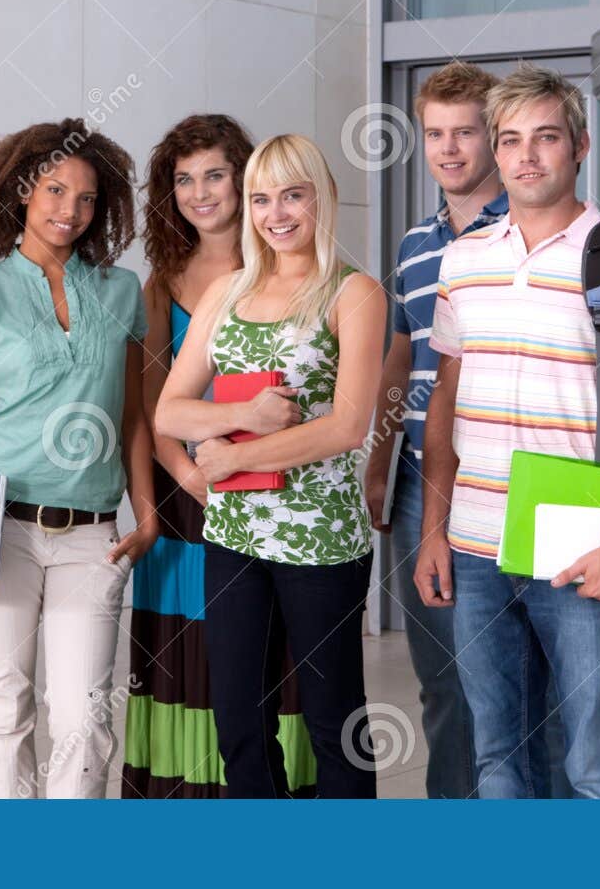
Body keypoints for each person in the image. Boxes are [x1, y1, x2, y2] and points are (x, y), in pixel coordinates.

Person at [415, 63, 600, 798]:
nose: (526, 155)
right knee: (499, 758)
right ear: (496, 154)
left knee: (596, 768)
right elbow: (446, 399)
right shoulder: (464, 258)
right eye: (510, 140)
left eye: (545, 137)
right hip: (472, 544)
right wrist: (433, 529)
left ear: (580, 146)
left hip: (578, 541)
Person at [0, 119, 157, 799]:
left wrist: (147, 513)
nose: (69, 210)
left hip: (93, 531)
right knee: (3, 701)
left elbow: (133, 414)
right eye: (54, 189)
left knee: (83, 712)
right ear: (22, 191)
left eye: (86, 198)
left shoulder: (120, 292)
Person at [156, 134, 387, 798]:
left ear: (322, 198)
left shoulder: (353, 293)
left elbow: (347, 426)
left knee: (331, 721)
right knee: (239, 720)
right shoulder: (226, 292)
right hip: (235, 535)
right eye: (261, 198)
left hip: (321, 543)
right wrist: (247, 418)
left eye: (293, 195)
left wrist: (233, 452)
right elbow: (170, 411)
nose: (275, 213)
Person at [122, 115, 320, 797]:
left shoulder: (284, 261)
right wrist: (189, 476)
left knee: (268, 651)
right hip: (187, 494)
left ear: (244, 179)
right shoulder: (161, 280)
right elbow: (152, 403)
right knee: (192, 648)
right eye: (183, 180)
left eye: (214, 174)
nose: (200, 192)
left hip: (278, 483)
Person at [363, 61, 505, 799]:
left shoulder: (525, 228)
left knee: (510, 682)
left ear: (493, 134)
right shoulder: (415, 243)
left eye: (465, 132)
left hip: (503, 478)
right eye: (435, 134)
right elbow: (400, 356)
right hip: (422, 482)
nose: (449, 149)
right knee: (444, 682)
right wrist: (380, 461)